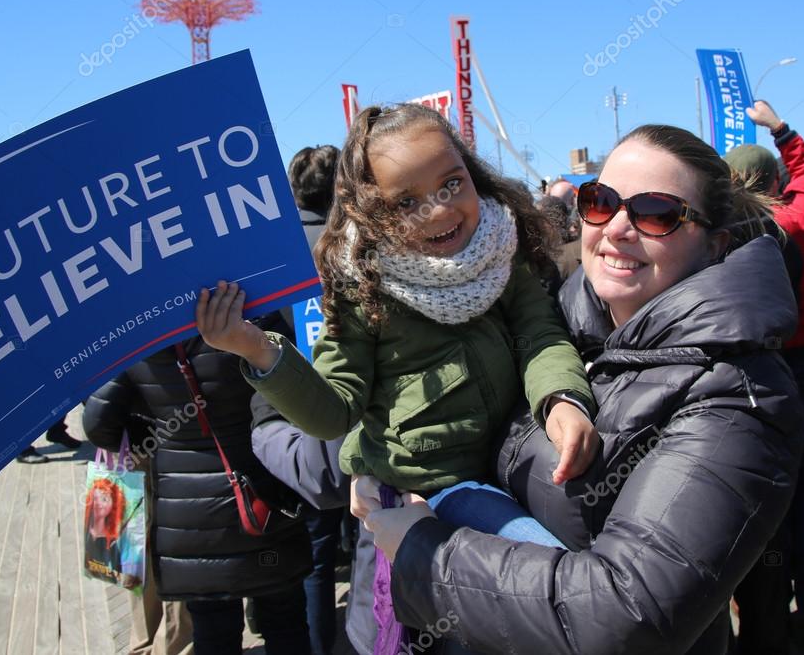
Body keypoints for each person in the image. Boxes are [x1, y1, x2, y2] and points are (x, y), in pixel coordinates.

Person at [354, 124, 804, 655]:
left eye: (656, 212)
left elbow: (626, 617)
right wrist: (370, 472)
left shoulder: (736, 396)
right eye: (600, 201)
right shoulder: (556, 330)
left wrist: (424, 554)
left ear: (715, 243)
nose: (616, 228)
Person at [196, 103, 597, 649]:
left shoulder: (503, 251)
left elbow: (542, 335)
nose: (438, 211)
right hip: (425, 496)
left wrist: (561, 398)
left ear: (472, 173)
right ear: (372, 213)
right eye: (406, 202)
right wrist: (259, 350)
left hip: (516, 465)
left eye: (451, 184)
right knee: (567, 589)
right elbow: (333, 410)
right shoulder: (363, 288)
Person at [82, 323, 313, 655]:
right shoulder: (248, 308)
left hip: (188, 527)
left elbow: (97, 424)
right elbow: (295, 377)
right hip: (265, 505)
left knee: (213, 635)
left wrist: (152, 432)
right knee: (286, 623)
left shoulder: (137, 333)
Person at [724, 102, 804, 645]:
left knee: (765, 494)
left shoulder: (724, 235)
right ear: (777, 181)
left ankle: (764, 620)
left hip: (753, 374)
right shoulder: (800, 218)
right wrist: (782, 129)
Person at [249, 143, 349, 655]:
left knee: (314, 555)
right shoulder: (355, 245)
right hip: (359, 419)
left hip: (294, 420)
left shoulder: (270, 257)